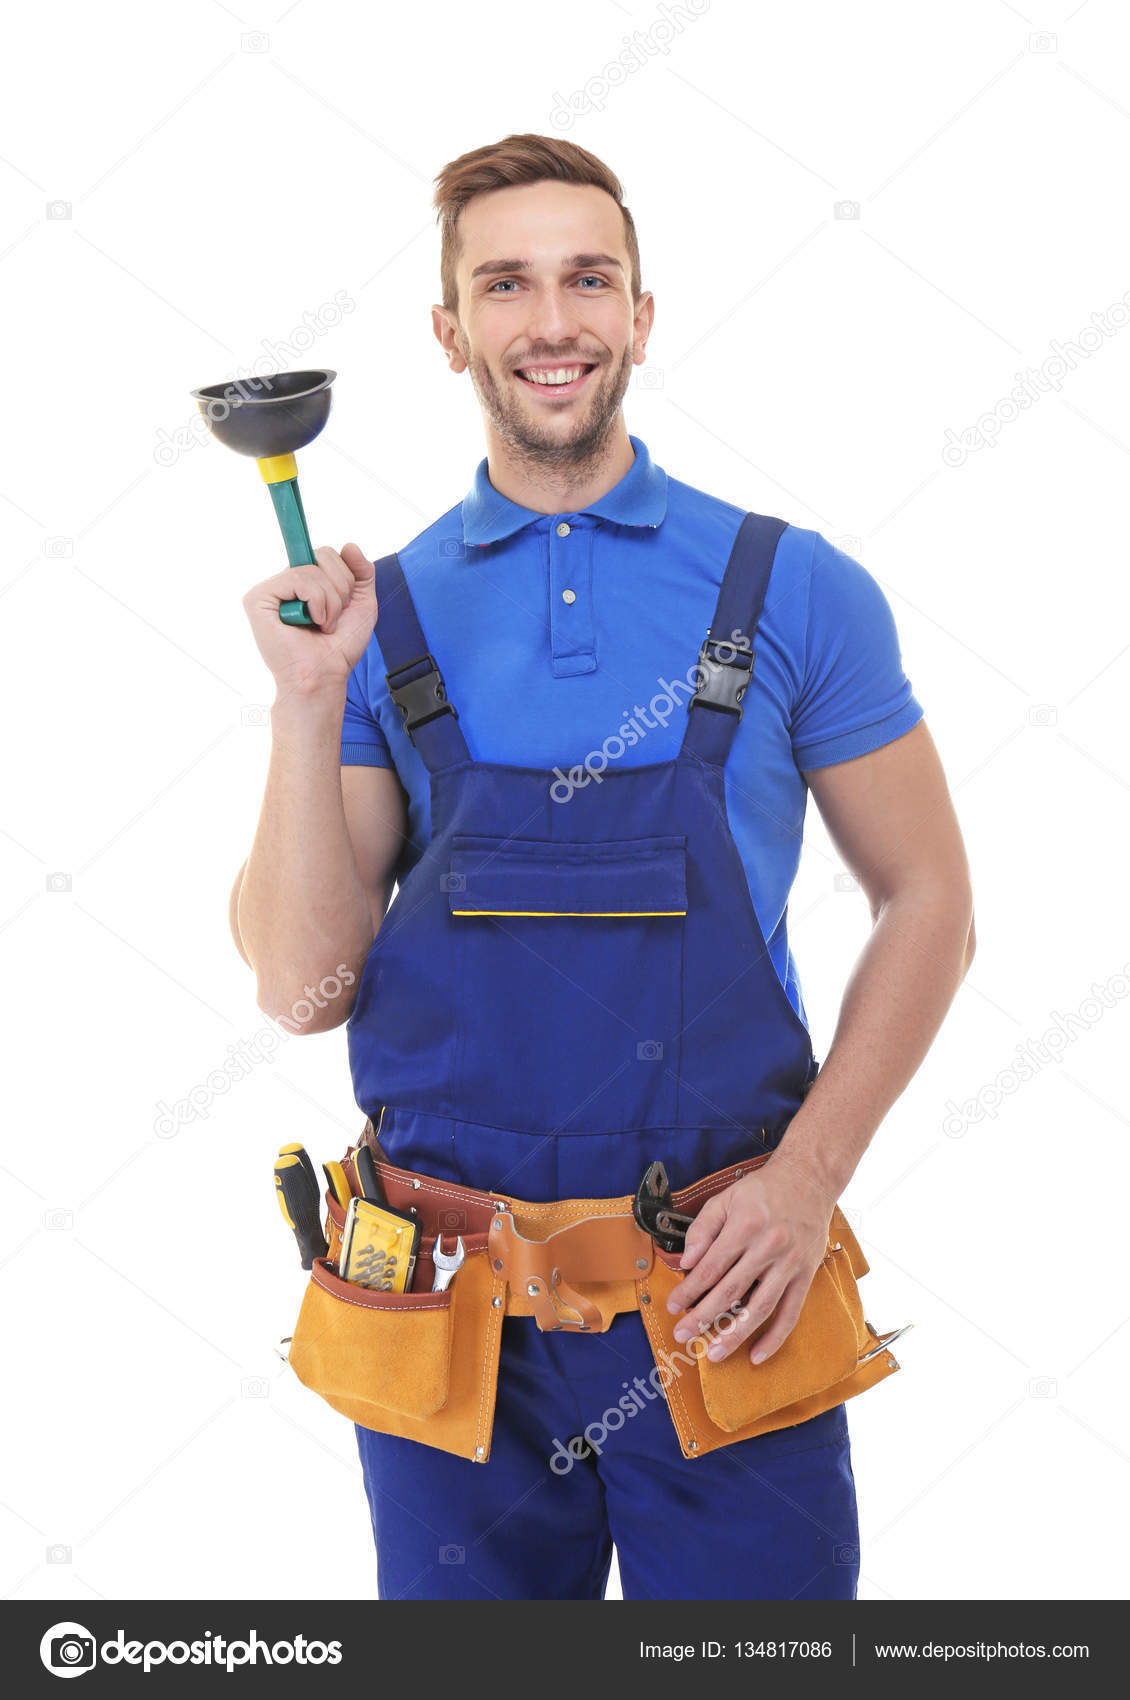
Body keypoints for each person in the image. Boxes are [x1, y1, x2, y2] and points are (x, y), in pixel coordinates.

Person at [230, 133, 975, 1601]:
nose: (551, 321)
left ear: (640, 315)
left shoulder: (791, 586)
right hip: (450, 1318)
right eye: (505, 284)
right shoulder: (384, 617)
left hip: (723, 1296)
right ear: (451, 334)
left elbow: (930, 902)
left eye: (588, 279)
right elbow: (299, 987)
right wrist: (307, 700)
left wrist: (808, 1181)